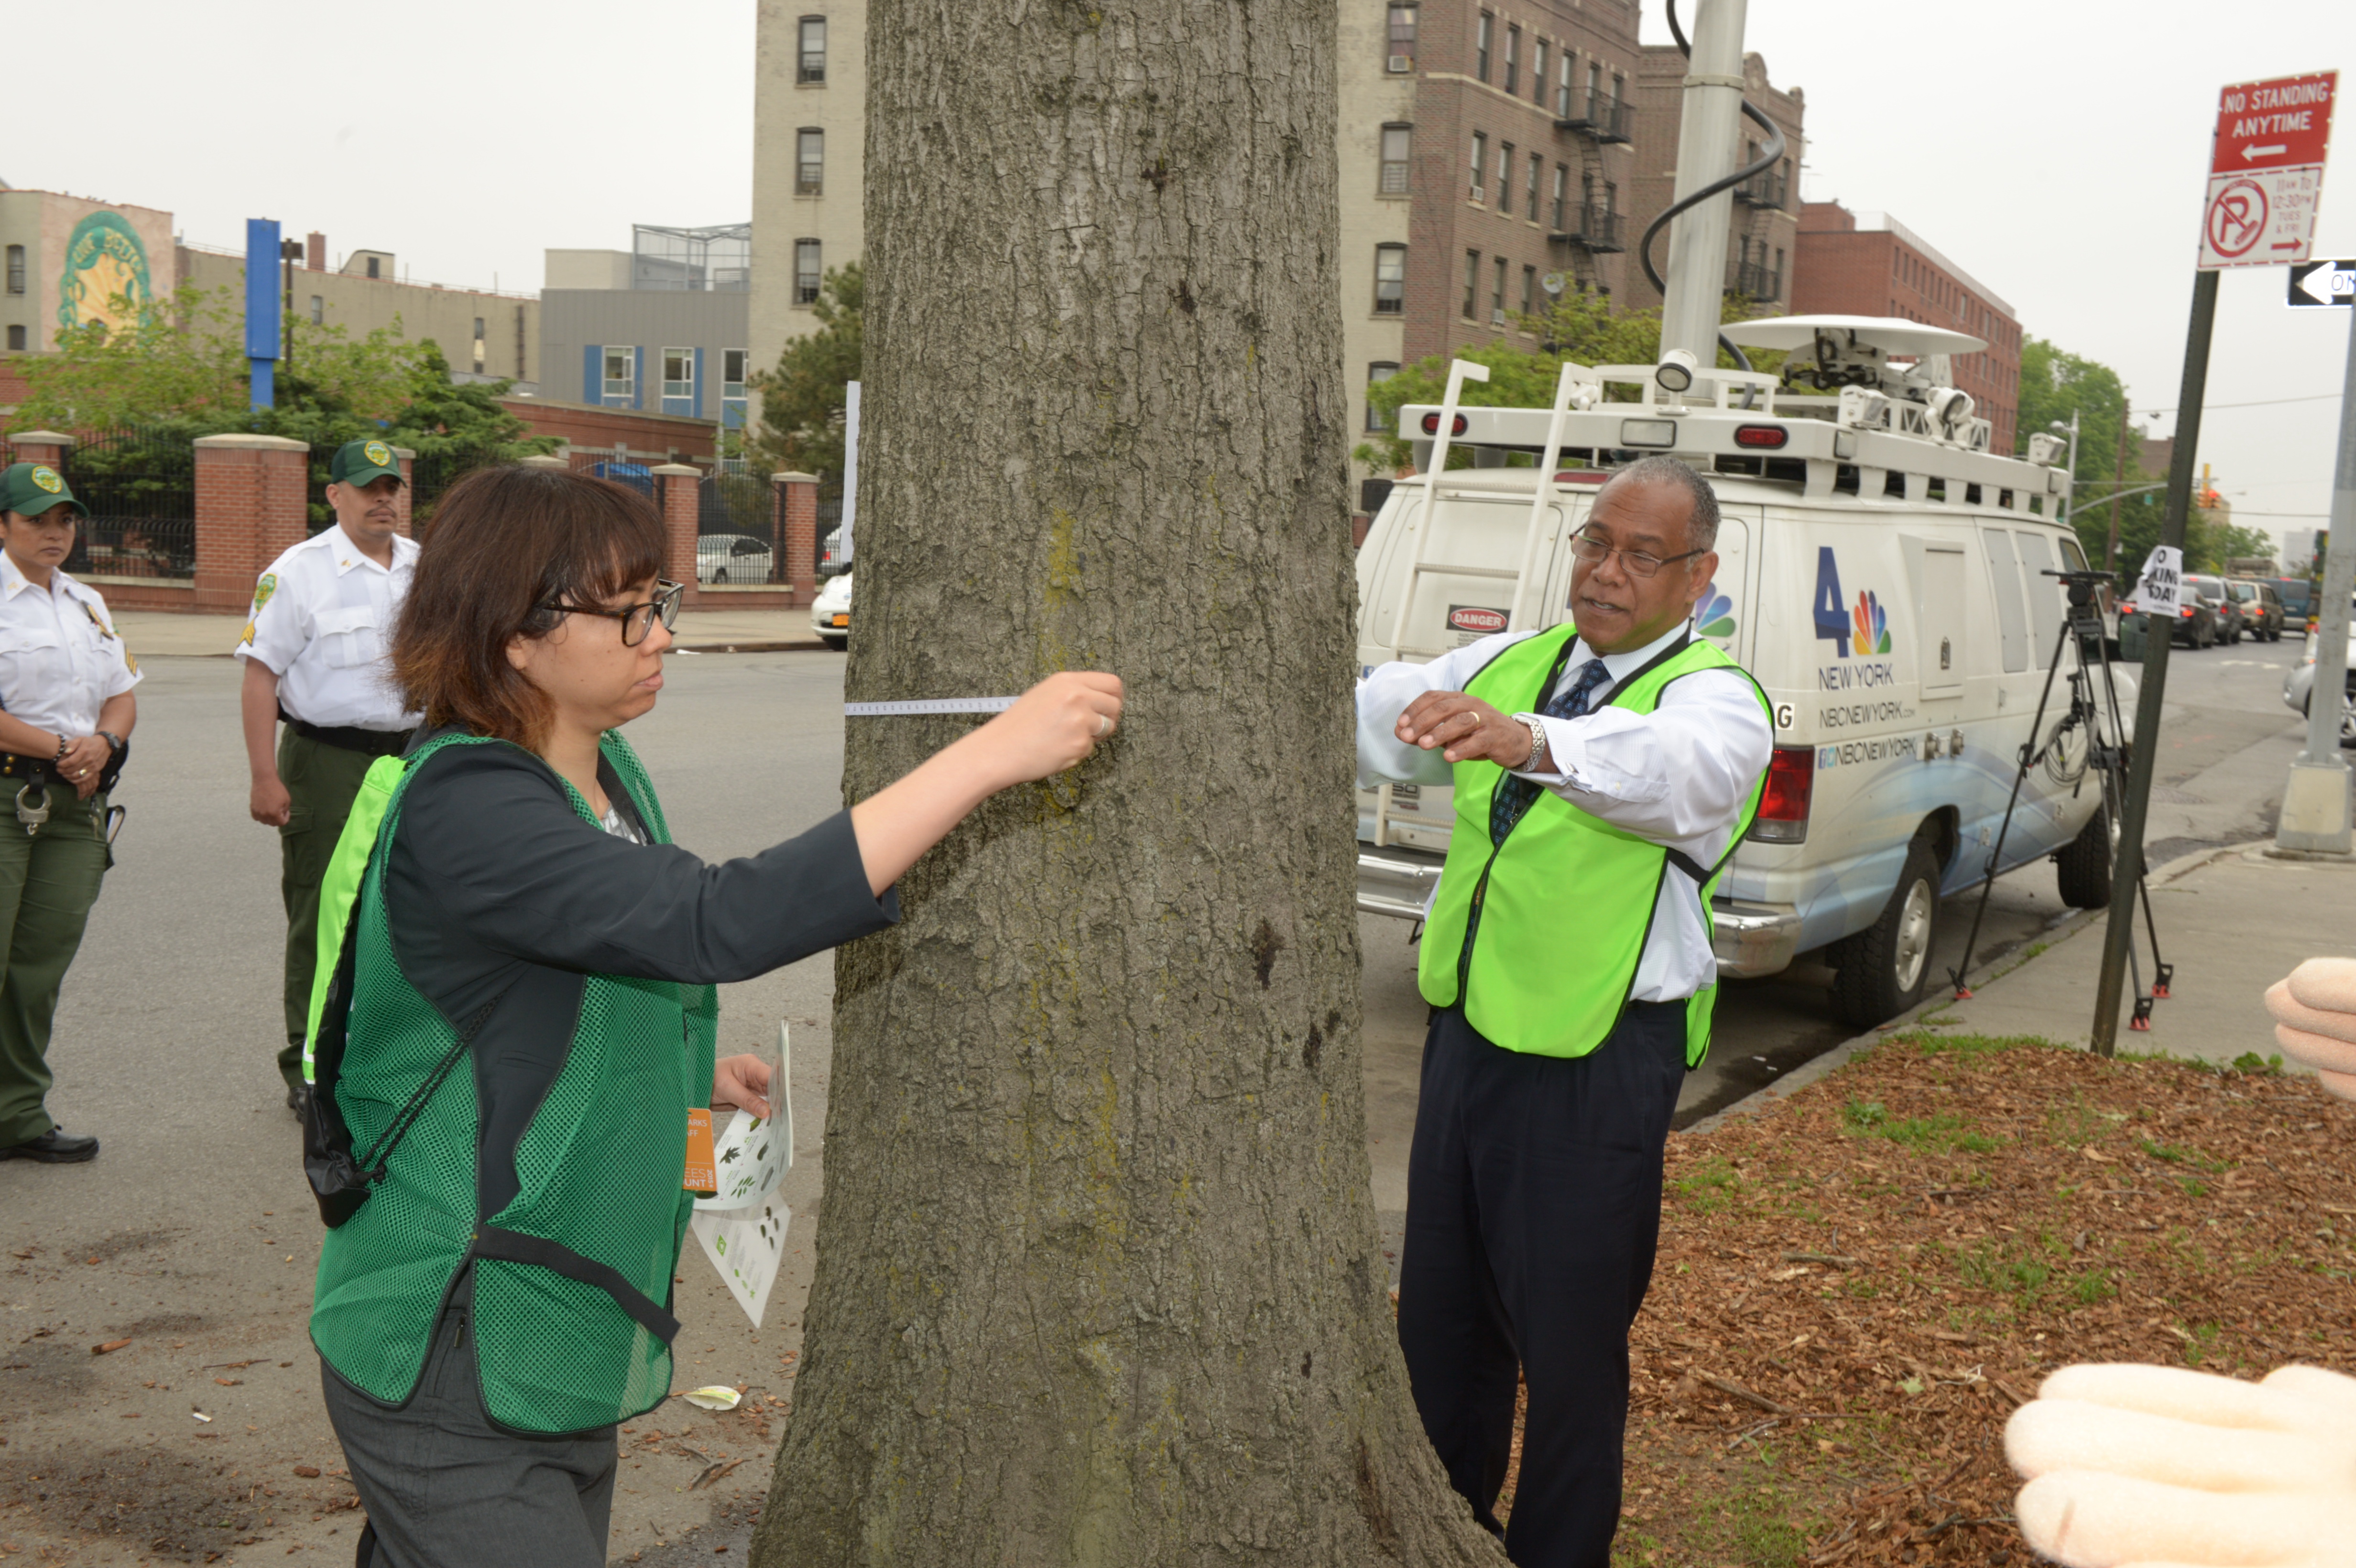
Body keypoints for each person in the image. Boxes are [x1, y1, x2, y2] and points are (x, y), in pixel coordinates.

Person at [309, 465, 1120, 1567]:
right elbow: (710, 920)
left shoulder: (600, 771)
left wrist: (687, 1079)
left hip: (549, 1321)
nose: (659, 635)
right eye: (629, 610)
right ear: (515, 633)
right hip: (457, 1335)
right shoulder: (472, 806)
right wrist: (991, 755)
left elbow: (567, 979)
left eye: (660, 602)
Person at [1356, 455, 1772, 1568]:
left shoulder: (1714, 695)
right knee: (1442, 1321)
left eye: (1644, 554)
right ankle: (1454, 1530)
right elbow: (1382, 710)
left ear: (1700, 576)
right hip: (1472, 1033)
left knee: (1572, 1344)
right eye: (1594, 542)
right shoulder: (1518, 657)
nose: (1607, 571)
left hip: (1598, 1058)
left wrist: (1533, 739)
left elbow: (1674, 774)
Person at [236, 439, 421, 1112]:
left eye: (392, 488)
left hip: (413, 757)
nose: (383, 500)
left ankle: (383, 1059)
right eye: (368, 488)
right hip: (327, 761)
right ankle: (309, 1067)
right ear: (334, 495)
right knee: (324, 915)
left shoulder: (423, 568)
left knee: (407, 911)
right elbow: (261, 676)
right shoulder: (299, 572)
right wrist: (265, 776)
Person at [0, 462, 139, 1165]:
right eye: (36, 519)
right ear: (3, 524)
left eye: (64, 519)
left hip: (73, 802)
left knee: (37, 965)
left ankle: (17, 1115)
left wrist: (105, 741)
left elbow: (121, 692)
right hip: (7, 794)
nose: (55, 533)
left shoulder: (87, 601)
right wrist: (62, 746)